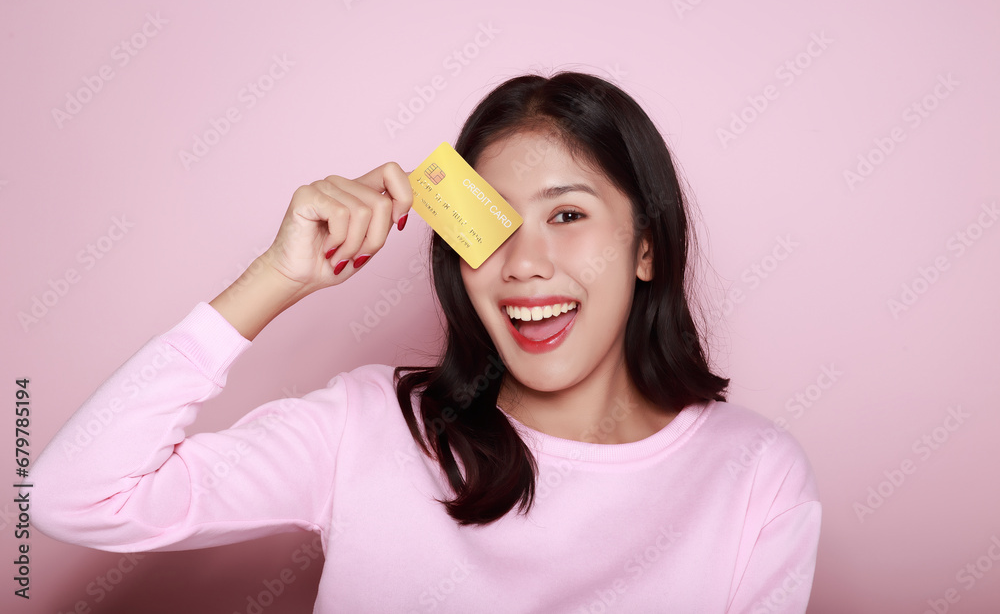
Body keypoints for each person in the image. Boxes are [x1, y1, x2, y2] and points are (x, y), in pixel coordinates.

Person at [31, 71, 821, 612]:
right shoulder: (367, 426)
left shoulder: (755, 473)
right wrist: (276, 275)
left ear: (646, 246)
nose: (526, 265)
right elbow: (74, 494)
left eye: (569, 215)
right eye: (497, 226)